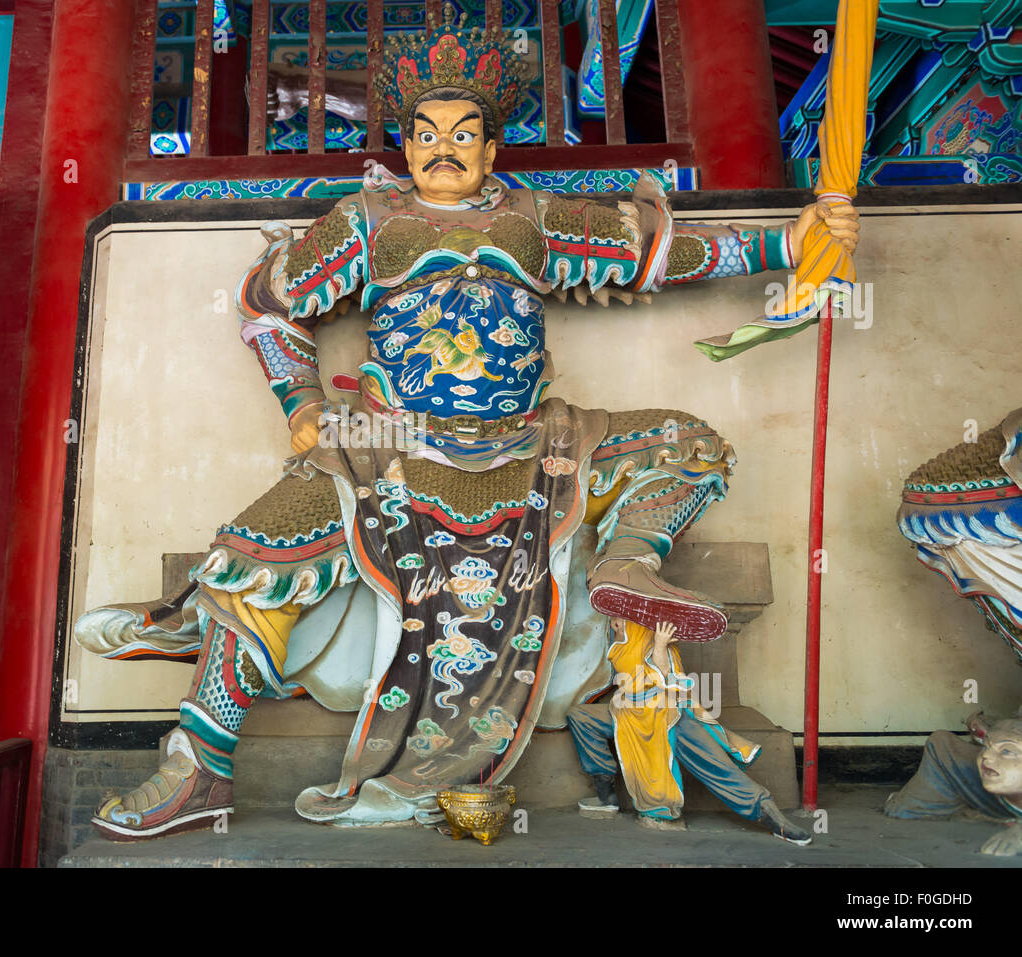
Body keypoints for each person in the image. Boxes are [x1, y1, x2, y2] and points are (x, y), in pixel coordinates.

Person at [73, 11, 861, 840]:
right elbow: (269, 306)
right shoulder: (366, 221)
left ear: (491, 149)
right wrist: (300, 404)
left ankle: (629, 561)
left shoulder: (535, 215)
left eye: (463, 133)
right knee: (251, 555)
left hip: (537, 445)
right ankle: (200, 765)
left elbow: (658, 256)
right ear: (404, 145)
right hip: (389, 447)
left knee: (689, 443)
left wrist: (789, 241)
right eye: (424, 133)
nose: (441, 147)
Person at [566, 618, 811, 844]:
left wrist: (660, 645)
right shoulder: (617, 640)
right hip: (625, 714)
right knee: (581, 717)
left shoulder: (653, 629)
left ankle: (770, 815)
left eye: (618, 617)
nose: (614, 621)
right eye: (612, 617)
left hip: (667, 715)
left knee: (715, 765)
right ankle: (605, 796)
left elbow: (669, 677)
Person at [884, 710, 1022, 856]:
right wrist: (993, 725)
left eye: (1007, 751)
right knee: (940, 743)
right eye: (986, 747)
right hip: (1004, 791)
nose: (986, 755)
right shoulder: (988, 759)